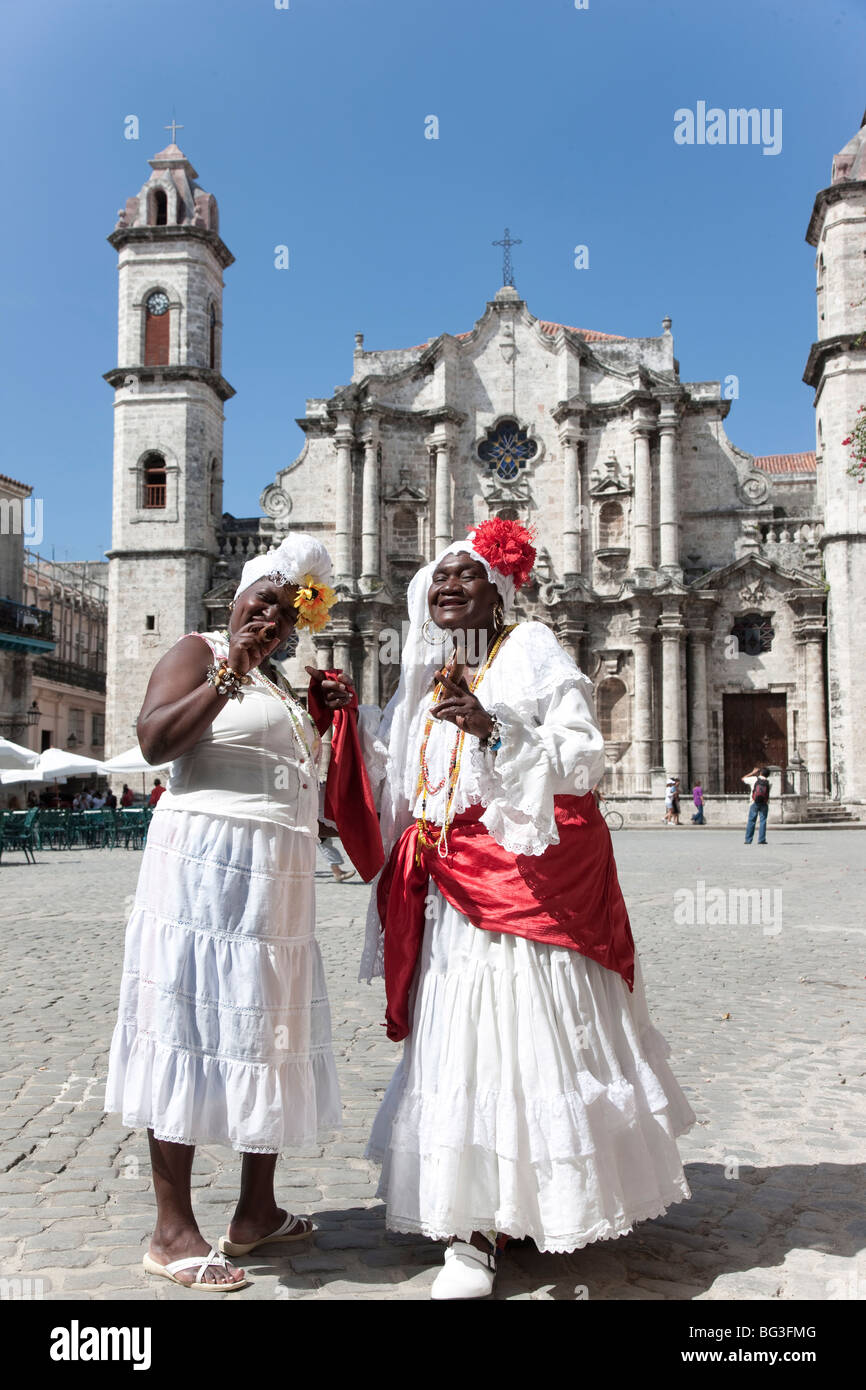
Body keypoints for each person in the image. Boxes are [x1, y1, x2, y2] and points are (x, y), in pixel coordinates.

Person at [352, 520, 695, 1300]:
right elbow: (400, 775)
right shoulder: (429, 669)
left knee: (521, 1047)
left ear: (500, 590)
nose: (446, 585)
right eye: (437, 577)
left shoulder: (533, 648)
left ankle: (534, 1207)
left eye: (465, 575)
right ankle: (472, 1226)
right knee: (462, 1049)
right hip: (448, 891)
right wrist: (345, 721)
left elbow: (580, 759)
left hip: (522, 889)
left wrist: (494, 726)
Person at [104, 534, 350, 1291]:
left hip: (276, 882)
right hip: (203, 873)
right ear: (237, 597)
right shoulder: (199, 648)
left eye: (286, 614)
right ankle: (171, 1230)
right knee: (187, 1022)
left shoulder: (278, 683)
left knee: (264, 1024)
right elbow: (154, 740)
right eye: (263, 604)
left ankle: (256, 1211)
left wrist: (321, 718)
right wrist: (229, 668)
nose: (271, 620)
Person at [743, 765, 771, 845]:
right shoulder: (768, 782)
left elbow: (743, 779)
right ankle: (761, 839)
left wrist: (752, 773)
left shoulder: (754, 779)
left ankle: (748, 840)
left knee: (751, 821)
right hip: (764, 803)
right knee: (763, 821)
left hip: (754, 802)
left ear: (760, 772)